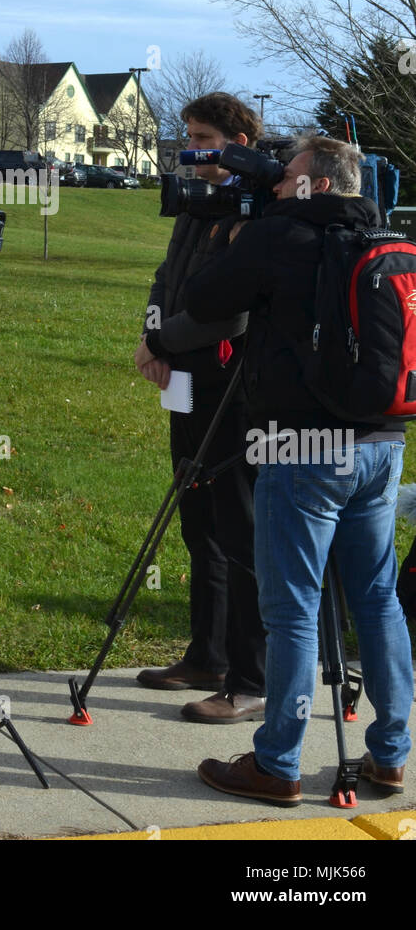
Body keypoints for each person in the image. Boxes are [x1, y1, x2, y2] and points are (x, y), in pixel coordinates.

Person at [183, 135, 412, 802]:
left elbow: (204, 299)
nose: (277, 186)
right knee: (376, 600)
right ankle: (388, 756)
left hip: (302, 446)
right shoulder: (378, 235)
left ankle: (276, 765)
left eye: (286, 178)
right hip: (381, 442)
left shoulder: (277, 236)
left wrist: (240, 230)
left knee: (291, 609)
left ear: (312, 183)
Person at [134, 93, 267, 723]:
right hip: (184, 379)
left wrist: (165, 340)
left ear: (240, 140)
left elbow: (232, 311)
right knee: (197, 521)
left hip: (233, 390)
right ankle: (206, 654)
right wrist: (151, 335)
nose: (193, 149)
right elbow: (167, 278)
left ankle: (250, 675)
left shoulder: (253, 207)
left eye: (205, 137)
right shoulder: (195, 199)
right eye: (188, 135)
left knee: (238, 530)